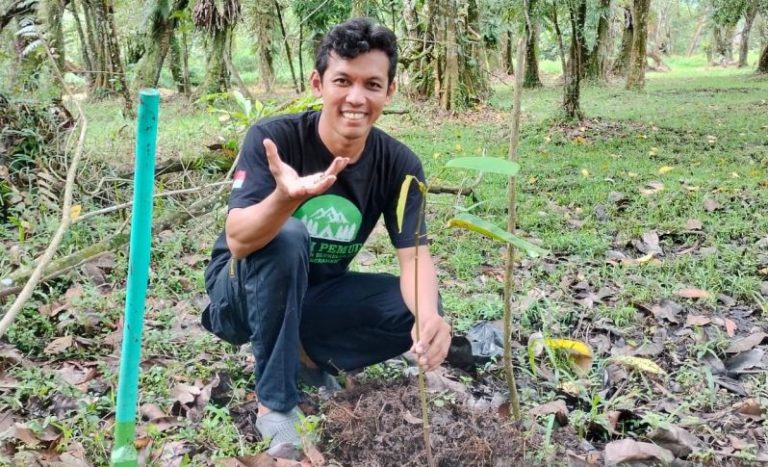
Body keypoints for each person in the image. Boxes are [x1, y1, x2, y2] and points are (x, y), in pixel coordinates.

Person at [201, 17, 451, 451]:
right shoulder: (273, 140)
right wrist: (283, 199)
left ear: (389, 92)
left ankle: (301, 355)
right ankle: (275, 404)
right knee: (286, 235)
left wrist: (429, 319)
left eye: (372, 85)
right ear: (318, 84)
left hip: (315, 296)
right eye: (342, 81)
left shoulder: (399, 164)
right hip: (238, 295)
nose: (356, 97)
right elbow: (239, 241)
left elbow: (413, 258)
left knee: (415, 306)